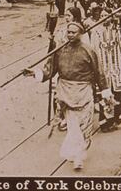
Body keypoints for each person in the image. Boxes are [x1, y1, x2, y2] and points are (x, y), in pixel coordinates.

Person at [36, 20, 104, 171]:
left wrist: (105, 91)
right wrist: (35, 73)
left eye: (74, 32)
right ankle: (78, 156)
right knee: (73, 127)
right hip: (65, 92)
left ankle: (79, 153)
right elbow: (50, 69)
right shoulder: (60, 50)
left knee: (85, 125)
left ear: (80, 34)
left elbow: (99, 72)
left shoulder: (89, 50)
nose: (70, 35)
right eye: (69, 32)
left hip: (84, 92)